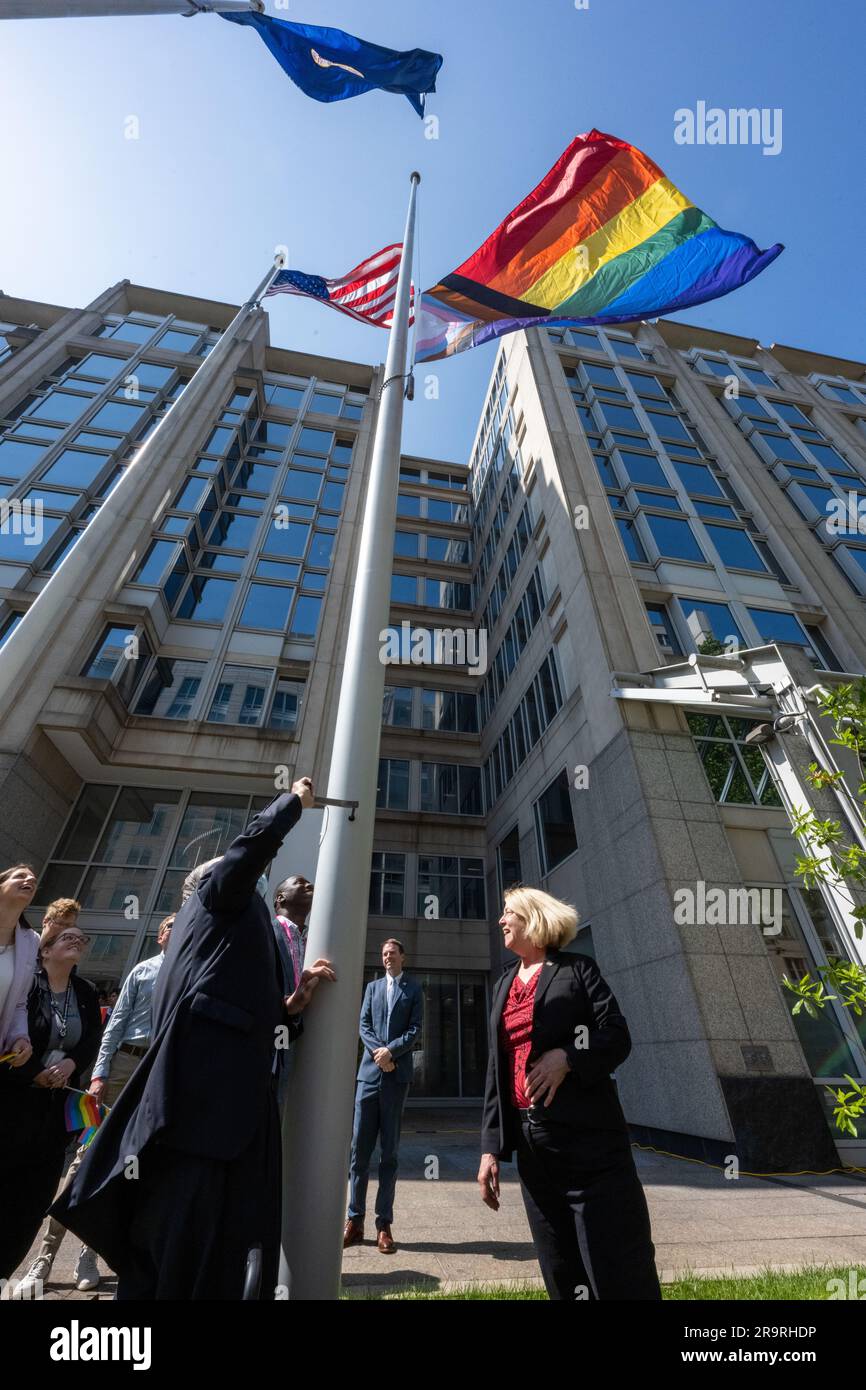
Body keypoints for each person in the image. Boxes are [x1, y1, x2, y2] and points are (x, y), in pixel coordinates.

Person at [50, 778, 336, 1300]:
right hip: (203, 1115)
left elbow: (240, 1003)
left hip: (222, 1116)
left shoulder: (222, 934)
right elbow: (249, 849)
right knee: (181, 1245)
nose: (259, 878)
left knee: (211, 1249)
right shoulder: (215, 899)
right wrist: (294, 801)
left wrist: (289, 1010)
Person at [477, 887, 661, 1301]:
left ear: (533, 919)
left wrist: (568, 1056)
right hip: (532, 1150)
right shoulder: (503, 983)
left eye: (508, 913)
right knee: (559, 1266)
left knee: (616, 1264)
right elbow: (496, 1068)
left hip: (590, 1147)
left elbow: (617, 1035)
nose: (500, 920)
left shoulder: (579, 970)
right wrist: (491, 1148)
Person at [16, 914, 176, 1297]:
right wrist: (100, 1074)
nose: (177, 929)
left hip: (162, 1072)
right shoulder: (143, 971)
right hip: (126, 1065)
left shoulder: (193, 970)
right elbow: (114, 1025)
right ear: (159, 936)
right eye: (170, 924)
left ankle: (89, 1253)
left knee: (133, 1165)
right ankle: (45, 1256)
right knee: (88, 1158)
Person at [0, 910, 102, 1281]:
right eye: (67, 937)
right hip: (14, 1101)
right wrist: (34, 1071)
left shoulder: (86, 992)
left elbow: (92, 1039)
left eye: (81, 938)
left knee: (32, 1202)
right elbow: (8, 1033)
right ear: (44, 952)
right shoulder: (26, 986)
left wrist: (73, 1065)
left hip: (54, 1112)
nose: (76, 940)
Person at [344, 938, 423, 1254]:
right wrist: (380, 1053)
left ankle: (383, 1225)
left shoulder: (414, 989)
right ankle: (355, 1220)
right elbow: (363, 1024)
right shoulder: (372, 988)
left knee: (388, 1154)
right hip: (368, 1077)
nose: (387, 956)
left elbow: (416, 1029)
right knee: (358, 1154)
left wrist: (392, 1052)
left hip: (396, 1078)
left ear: (403, 956)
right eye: (384, 953)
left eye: (392, 952)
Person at [0, 864, 39, 1072]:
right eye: (21, 876)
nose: (30, 881)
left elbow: (18, 1003)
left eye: (33, 881)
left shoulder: (31, 941)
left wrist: (19, 1037)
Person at [273, 874, 314, 987]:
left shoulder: (313, 941)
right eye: (300, 882)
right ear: (280, 897)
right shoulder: (266, 932)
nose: (310, 885)